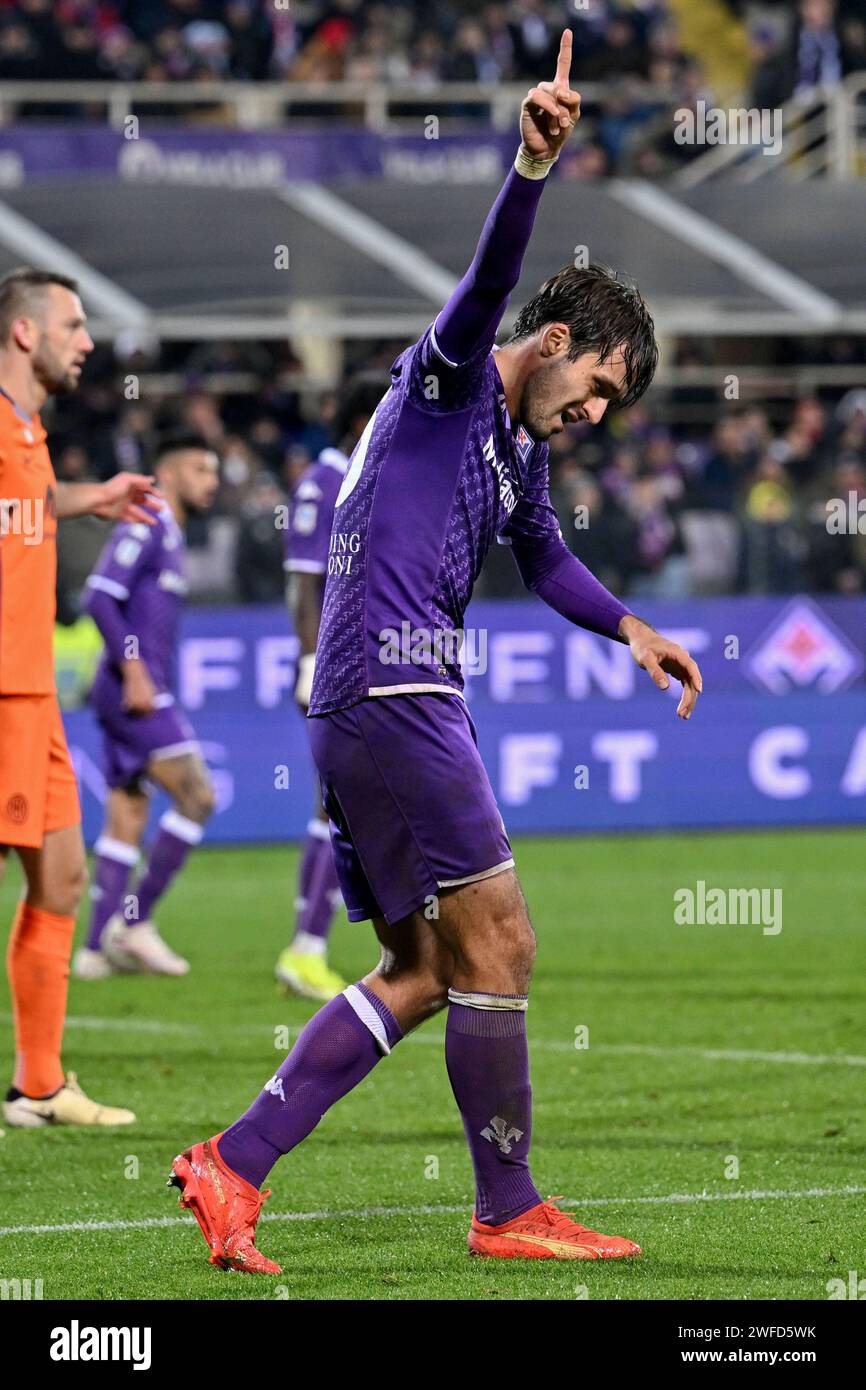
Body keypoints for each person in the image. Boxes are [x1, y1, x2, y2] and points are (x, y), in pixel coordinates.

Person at [168, 31, 702, 1273]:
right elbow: (478, 290)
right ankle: (506, 1205)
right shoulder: (451, 380)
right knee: (500, 941)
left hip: (364, 693)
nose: (593, 413)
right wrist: (526, 169)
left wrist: (630, 626)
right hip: (396, 686)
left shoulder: (519, 451)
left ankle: (230, 1164)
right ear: (557, 334)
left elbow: (548, 558)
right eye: (598, 386)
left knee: (420, 966)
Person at [0, 267, 157, 1132]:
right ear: (27, 333)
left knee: (62, 878)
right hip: (1, 693)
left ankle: (38, 1087)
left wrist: (85, 499)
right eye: (73, 324)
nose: (87, 341)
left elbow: (20, 505)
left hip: (33, 693)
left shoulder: (27, 428)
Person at [73, 433, 220, 979]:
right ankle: (136, 923)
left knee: (127, 814)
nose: (213, 481)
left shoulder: (172, 530)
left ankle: (93, 950)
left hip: (129, 689)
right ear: (172, 469)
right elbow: (99, 595)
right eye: (203, 469)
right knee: (198, 796)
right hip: (133, 689)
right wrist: (134, 669)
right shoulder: (148, 520)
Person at [274, 379, 383, 1002]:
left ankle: (311, 944)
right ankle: (307, 945)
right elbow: (305, 581)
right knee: (339, 802)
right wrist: (312, 658)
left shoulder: (361, 476)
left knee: (345, 802)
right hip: (331, 666)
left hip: (363, 663)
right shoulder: (324, 481)